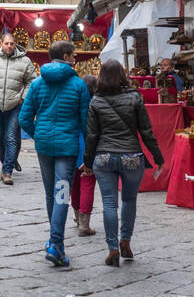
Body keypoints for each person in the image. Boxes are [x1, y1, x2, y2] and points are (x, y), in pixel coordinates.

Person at [84, 59, 166, 266]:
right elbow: (146, 132)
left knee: (109, 203)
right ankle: (125, 240)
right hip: (131, 156)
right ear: (122, 75)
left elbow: (92, 135)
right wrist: (158, 158)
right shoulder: (134, 97)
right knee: (129, 200)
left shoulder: (95, 101)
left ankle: (112, 248)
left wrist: (87, 161)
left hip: (104, 157)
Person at [19, 40, 91, 268]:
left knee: (51, 194)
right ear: (66, 56)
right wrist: (88, 149)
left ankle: (54, 240)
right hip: (67, 148)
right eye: (73, 55)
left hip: (45, 147)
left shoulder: (37, 84)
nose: (76, 58)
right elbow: (86, 123)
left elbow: (24, 119)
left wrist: (38, 135)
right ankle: (56, 243)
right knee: (62, 194)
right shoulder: (79, 85)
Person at [0, 30, 37, 185]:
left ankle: (7, 171)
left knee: (10, 137)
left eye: (11, 43)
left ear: (15, 44)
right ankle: (8, 160)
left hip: (15, 104)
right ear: (1, 44)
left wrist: (23, 98)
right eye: (6, 43)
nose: (9, 46)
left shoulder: (25, 61)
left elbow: (32, 81)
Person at [74, 74, 98, 236]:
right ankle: (84, 223)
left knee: (74, 184)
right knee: (87, 182)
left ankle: (77, 216)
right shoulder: (97, 104)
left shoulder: (72, 103)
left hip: (71, 146)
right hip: (89, 149)